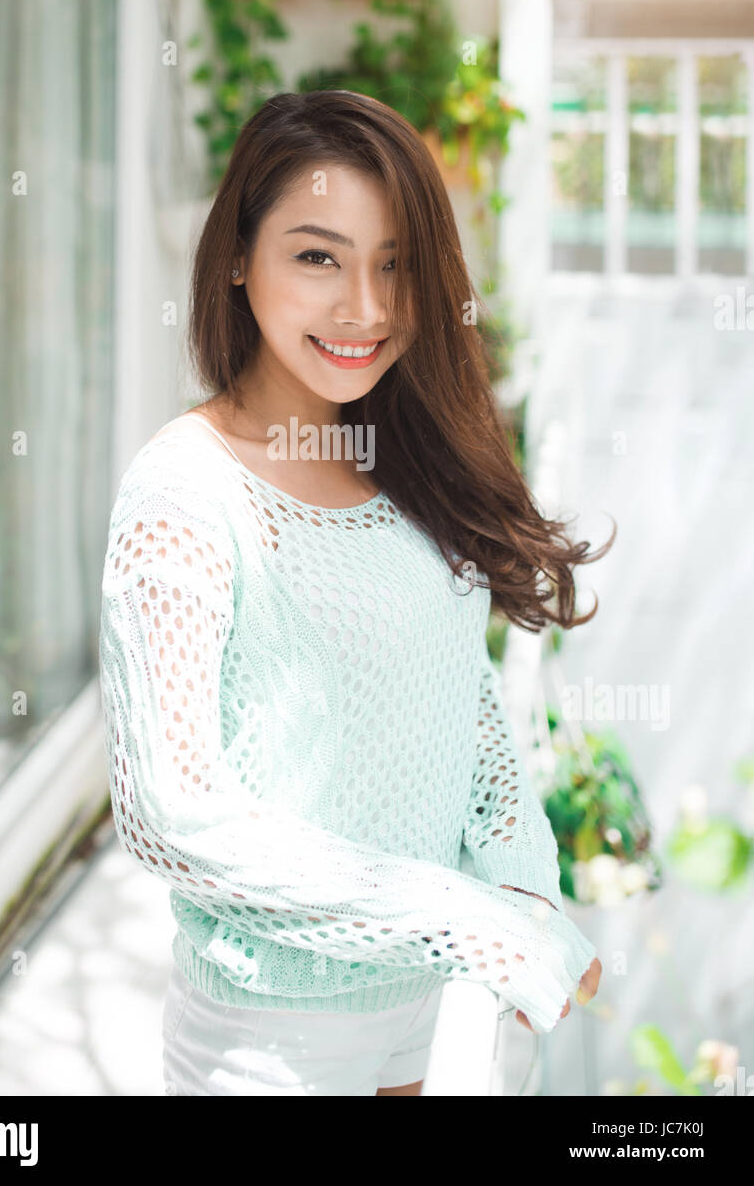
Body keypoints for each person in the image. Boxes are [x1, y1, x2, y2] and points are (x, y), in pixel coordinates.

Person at [98, 90, 611, 1097]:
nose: (367, 309)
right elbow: (172, 813)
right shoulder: (187, 489)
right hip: (272, 1044)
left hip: (435, 1013)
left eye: (395, 264)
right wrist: (471, 919)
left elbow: (458, 700)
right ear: (239, 256)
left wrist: (525, 895)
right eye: (318, 256)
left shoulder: (405, 460)